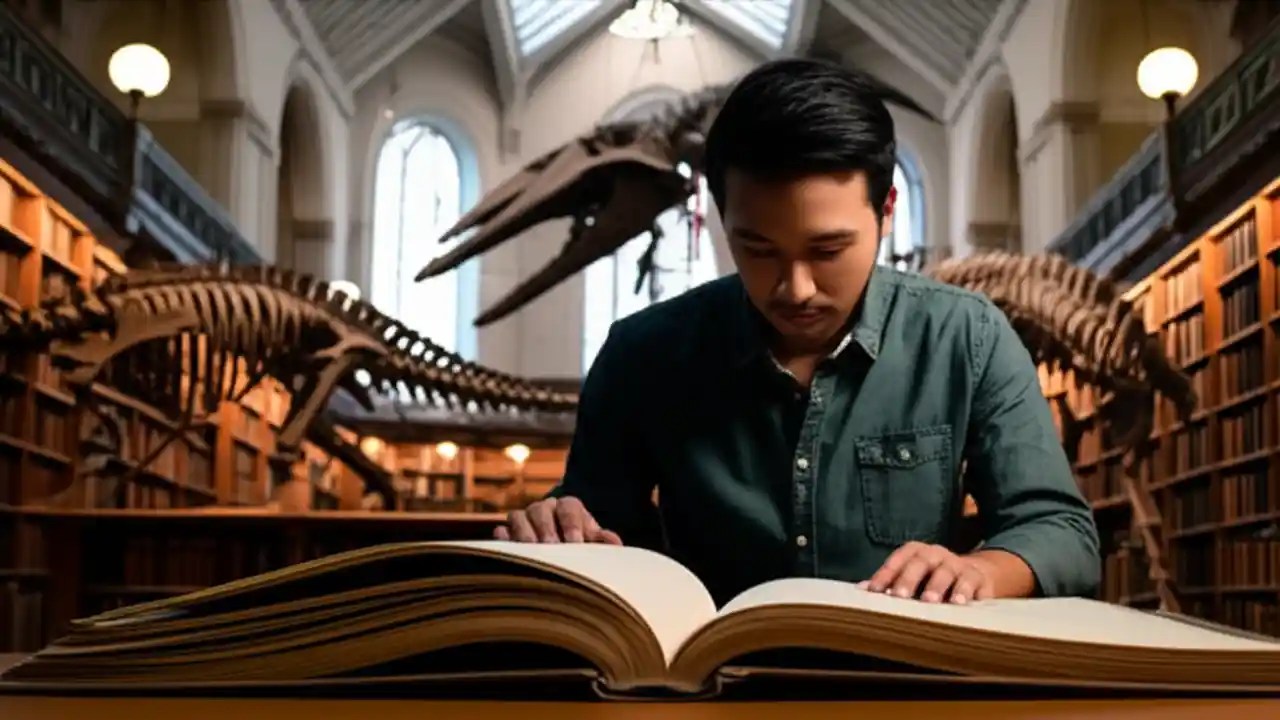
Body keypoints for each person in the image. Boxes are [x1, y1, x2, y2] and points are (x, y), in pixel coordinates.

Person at [495, 58, 1101, 607]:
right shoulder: (641, 353)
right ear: (717, 215)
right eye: (756, 249)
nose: (796, 288)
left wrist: (983, 571)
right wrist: (561, 527)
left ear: (886, 211)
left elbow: (1061, 531)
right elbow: (597, 524)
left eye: (828, 248)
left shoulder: (967, 337)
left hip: (904, 684)